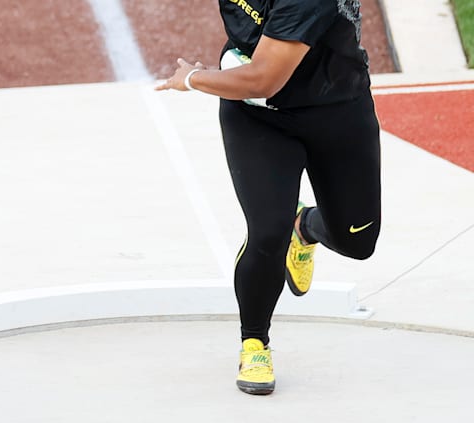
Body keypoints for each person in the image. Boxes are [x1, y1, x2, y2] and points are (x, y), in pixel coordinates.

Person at [156, 0, 380, 395]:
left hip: (336, 109)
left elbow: (263, 79)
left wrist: (192, 78)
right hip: (258, 118)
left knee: (357, 241)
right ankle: (255, 342)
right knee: (267, 232)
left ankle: (305, 226)